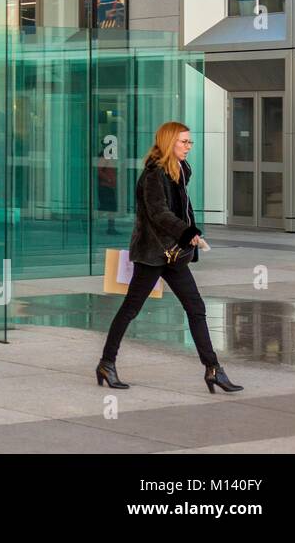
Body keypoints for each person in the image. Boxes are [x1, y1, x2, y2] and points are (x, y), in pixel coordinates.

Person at [97, 121, 242, 394]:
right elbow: (159, 214)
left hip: (174, 254)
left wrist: (187, 237)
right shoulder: (154, 176)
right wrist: (189, 233)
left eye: (190, 142)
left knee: (196, 308)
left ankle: (213, 370)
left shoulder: (178, 172)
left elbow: (179, 211)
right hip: (153, 253)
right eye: (184, 142)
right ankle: (106, 363)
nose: (189, 147)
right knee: (131, 309)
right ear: (169, 142)